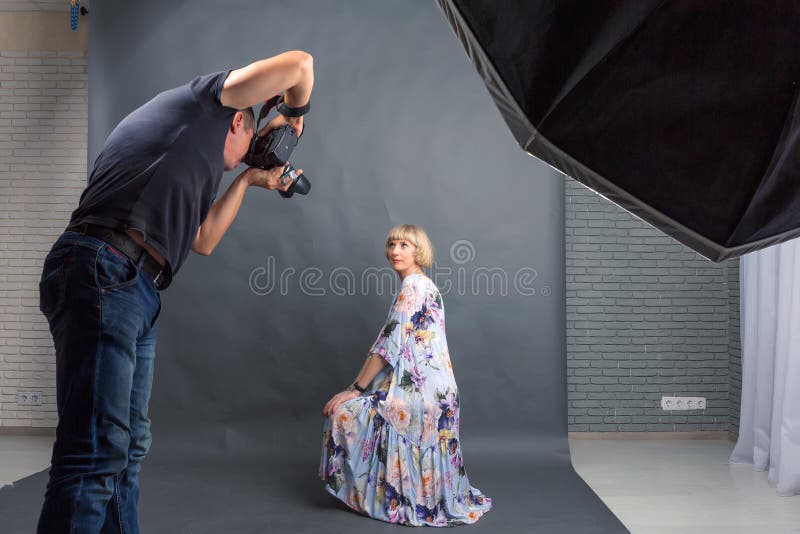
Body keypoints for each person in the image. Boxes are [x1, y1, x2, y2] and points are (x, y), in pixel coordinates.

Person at [35, 50, 314, 534]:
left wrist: (249, 177)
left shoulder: (195, 161)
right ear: (239, 123)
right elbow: (301, 65)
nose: (243, 161)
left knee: (127, 448)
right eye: (249, 148)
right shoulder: (205, 103)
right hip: (106, 268)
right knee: (96, 449)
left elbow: (203, 240)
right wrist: (292, 114)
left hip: (133, 286)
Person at [319, 224, 493, 526]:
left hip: (422, 395)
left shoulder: (413, 287)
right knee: (359, 411)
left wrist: (356, 390)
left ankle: (389, 499)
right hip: (438, 393)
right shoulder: (422, 285)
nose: (396, 251)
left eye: (404, 245)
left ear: (418, 251)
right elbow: (387, 343)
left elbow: (389, 346)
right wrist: (358, 387)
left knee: (343, 414)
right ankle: (413, 498)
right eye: (392, 245)